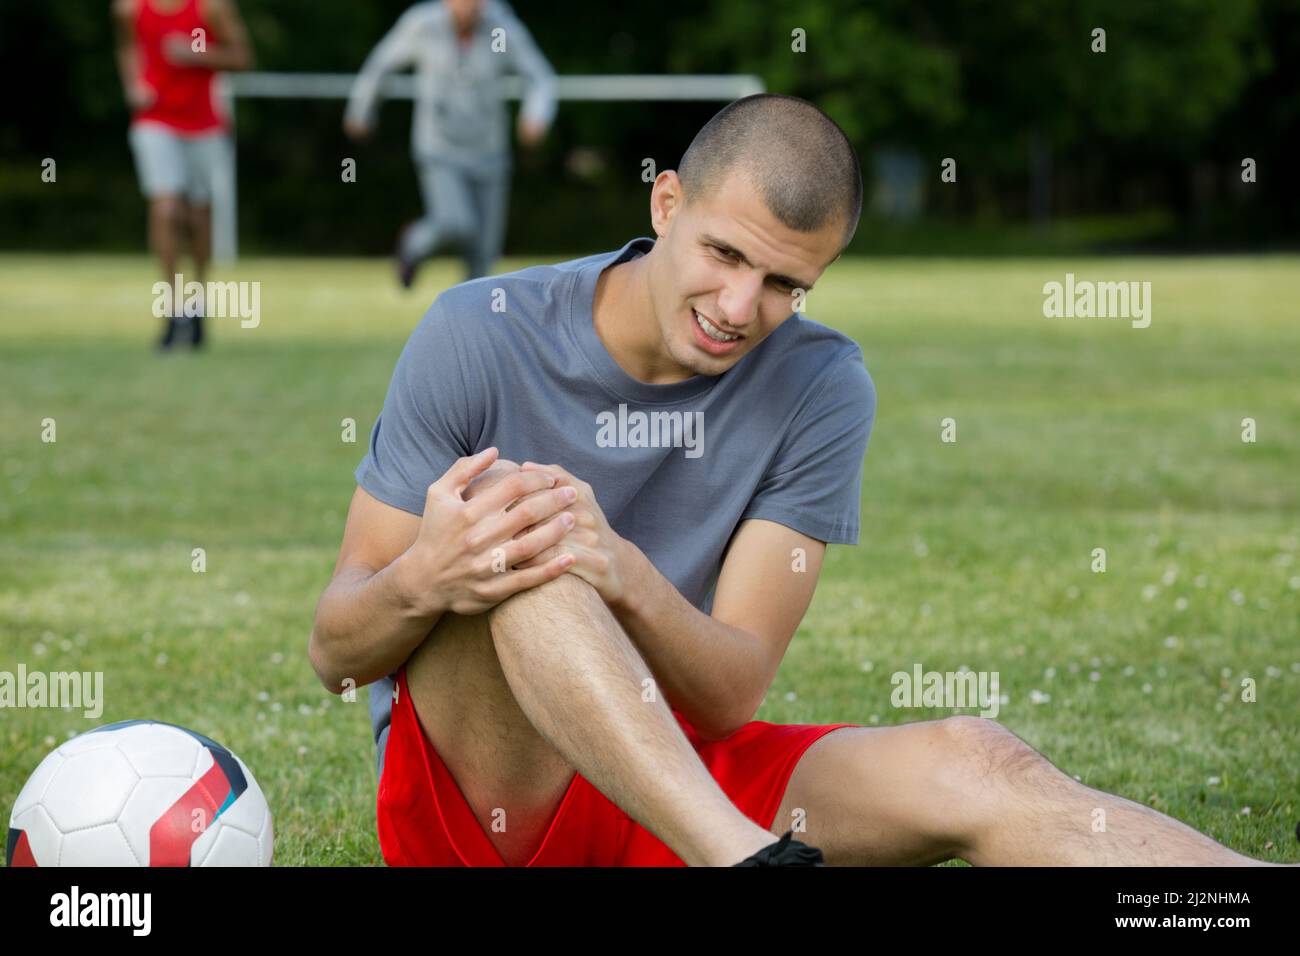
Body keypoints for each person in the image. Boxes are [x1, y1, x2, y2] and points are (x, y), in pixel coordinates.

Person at [310, 94, 1283, 867]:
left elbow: (731, 689)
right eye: (724, 254)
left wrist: (628, 570)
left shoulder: (821, 382)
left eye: (785, 284)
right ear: (665, 205)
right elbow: (335, 650)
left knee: (979, 760)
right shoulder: (479, 329)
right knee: (531, 533)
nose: (739, 307)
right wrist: (429, 576)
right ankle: (744, 862)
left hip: (679, 772)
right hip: (489, 805)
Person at [344, 0, 556, 288]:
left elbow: (539, 77)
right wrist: (360, 111)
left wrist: (536, 116)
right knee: (455, 223)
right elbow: (381, 65)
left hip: (490, 150)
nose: (467, 6)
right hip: (438, 148)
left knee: (484, 256)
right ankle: (414, 243)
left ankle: (472, 326)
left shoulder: (502, 29)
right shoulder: (422, 24)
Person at [113, 0, 253, 350]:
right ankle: (173, 308)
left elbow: (241, 57)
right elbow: (127, 47)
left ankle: (197, 304)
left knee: (198, 216)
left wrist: (196, 55)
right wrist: (133, 84)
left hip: (204, 124)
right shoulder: (130, 8)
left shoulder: (212, 8)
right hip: (155, 119)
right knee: (165, 207)